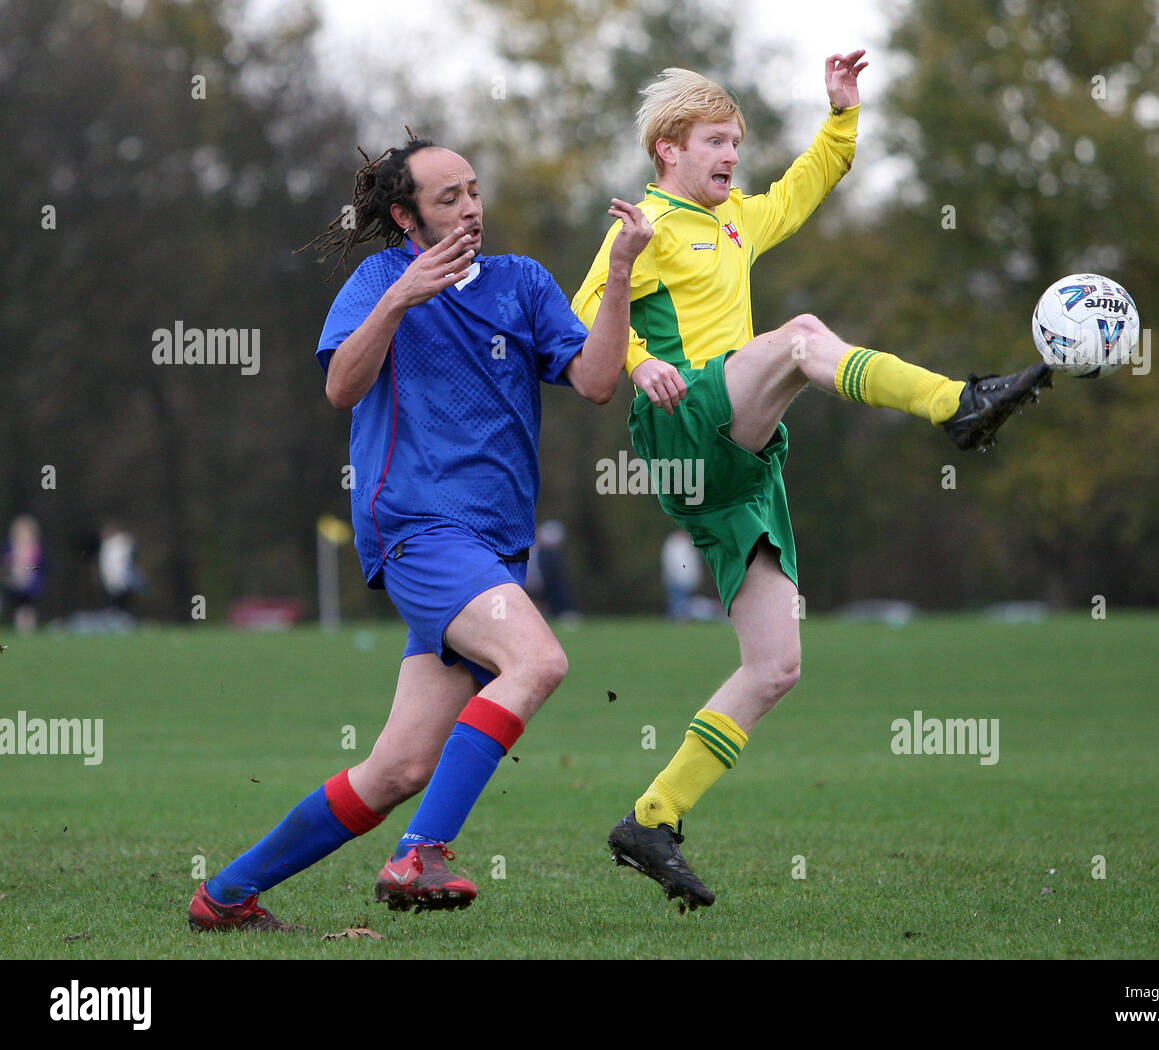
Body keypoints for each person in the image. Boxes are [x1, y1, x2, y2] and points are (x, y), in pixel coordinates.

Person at [572, 55, 1053, 910]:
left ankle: (653, 817)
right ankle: (956, 402)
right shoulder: (641, 225)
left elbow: (810, 181)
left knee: (776, 665)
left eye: (737, 144)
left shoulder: (733, 223)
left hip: (740, 464)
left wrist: (842, 115)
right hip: (683, 426)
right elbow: (580, 333)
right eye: (716, 142)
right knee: (799, 339)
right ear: (667, 150)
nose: (731, 157)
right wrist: (643, 361)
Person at [188, 136, 651, 931]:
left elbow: (599, 381)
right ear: (406, 216)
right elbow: (341, 387)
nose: (471, 207)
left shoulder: (522, 282)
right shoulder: (377, 281)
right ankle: (420, 854)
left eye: (474, 190)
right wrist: (401, 297)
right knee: (538, 660)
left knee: (397, 767)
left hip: (492, 550)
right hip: (419, 532)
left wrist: (617, 278)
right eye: (449, 198)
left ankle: (223, 896)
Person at [2, 515, 46, 635]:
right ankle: (21, 631)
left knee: (27, 610)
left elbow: (40, 567)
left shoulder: (36, 549)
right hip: (14, 585)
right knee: (19, 610)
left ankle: (27, 633)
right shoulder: (9, 548)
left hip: (30, 586)